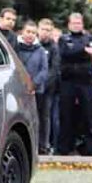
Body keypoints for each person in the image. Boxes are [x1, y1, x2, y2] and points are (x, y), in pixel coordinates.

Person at [58, 13, 92, 155]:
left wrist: (76, 53)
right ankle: (64, 148)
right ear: (69, 25)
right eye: (74, 23)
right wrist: (82, 51)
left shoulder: (89, 38)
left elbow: (90, 53)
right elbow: (65, 53)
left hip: (85, 82)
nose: (77, 25)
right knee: (66, 115)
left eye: (79, 23)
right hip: (68, 81)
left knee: (89, 116)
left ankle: (91, 149)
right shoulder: (63, 39)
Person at [14, 21, 49, 154]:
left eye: (33, 33)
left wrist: (33, 84)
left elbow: (44, 70)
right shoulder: (15, 47)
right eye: (28, 32)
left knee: (36, 119)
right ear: (22, 32)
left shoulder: (40, 50)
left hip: (35, 90)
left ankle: (38, 146)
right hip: (18, 89)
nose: (30, 35)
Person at [38, 18, 61, 154]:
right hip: (33, 88)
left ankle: (44, 144)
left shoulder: (54, 47)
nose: (45, 33)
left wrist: (44, 83)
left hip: (47, 89)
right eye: (43, 29)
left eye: (48, 30)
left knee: (45, 116)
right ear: (39, 29)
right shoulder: (34, 45)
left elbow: (54, 68)